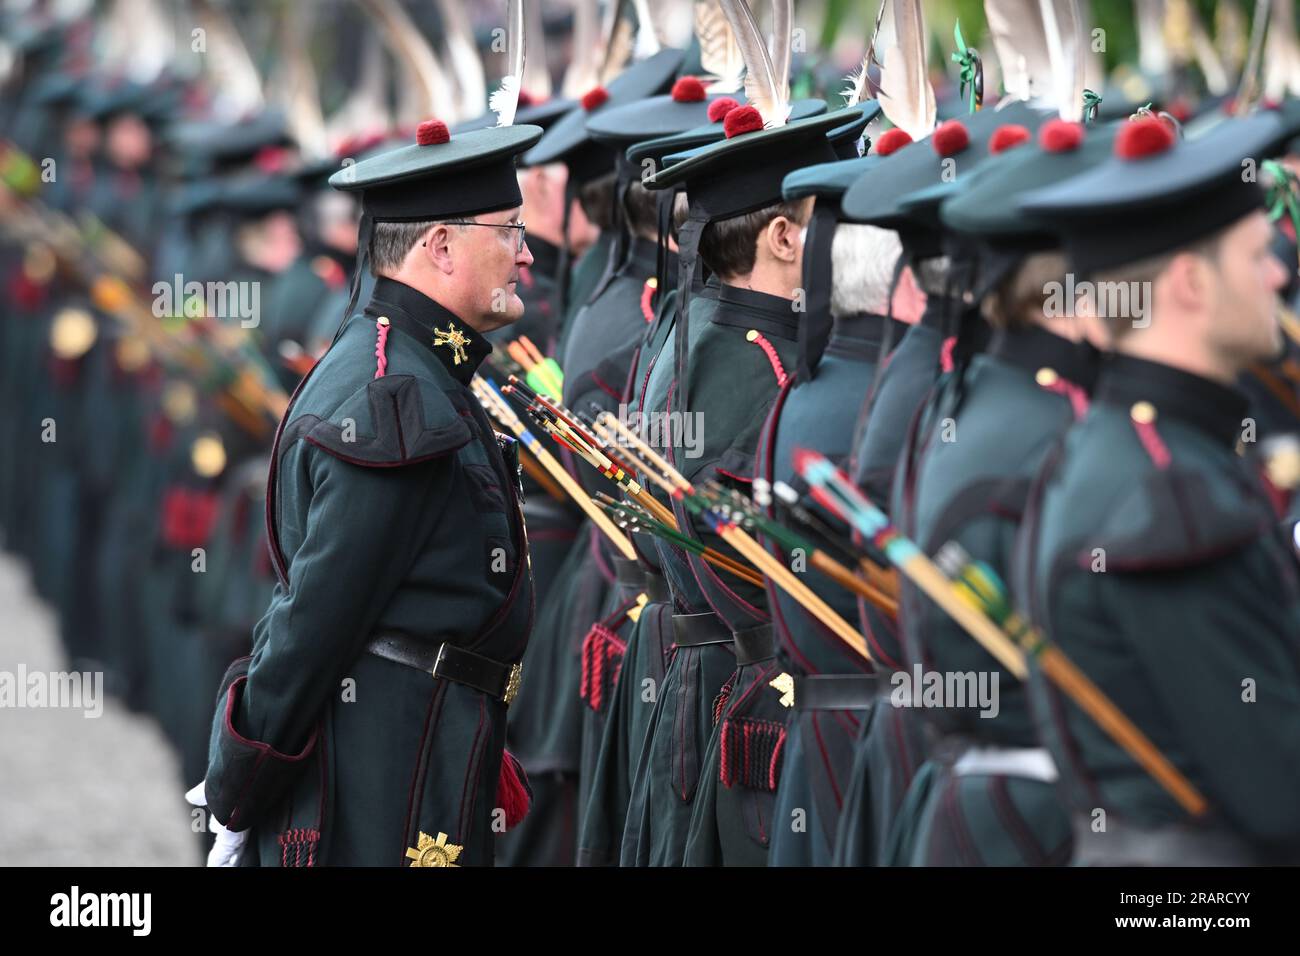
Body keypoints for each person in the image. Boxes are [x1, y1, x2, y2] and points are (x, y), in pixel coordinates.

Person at [191, 118, 542, 867]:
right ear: (441, 247)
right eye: (510, 232)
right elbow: (317, 619)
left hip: (420, 745)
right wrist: (240, 780)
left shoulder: (407, 364)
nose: (526, 252)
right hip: (392, 769)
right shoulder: (394, 397)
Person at [1015, 112, 1300, 864]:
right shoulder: (1168, 497)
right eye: (1255, 255)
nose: (1278, 272)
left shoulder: (1123, 446)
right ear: (1190, 283)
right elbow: (1278, 779)